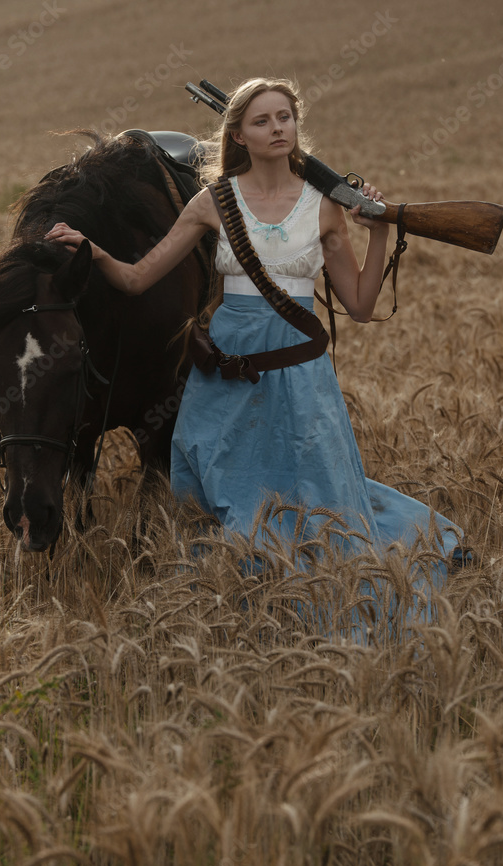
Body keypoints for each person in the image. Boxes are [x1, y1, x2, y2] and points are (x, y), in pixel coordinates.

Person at [45, 77, 461, 609]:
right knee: (221, 490)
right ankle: (240, 591)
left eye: (284, 117)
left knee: (319, 495)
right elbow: (134, 279)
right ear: (238, 135)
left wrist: (381, 225)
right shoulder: (211, 202)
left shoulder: (325, 207)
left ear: (296, 125)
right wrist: (92, 250)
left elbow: (358, 305)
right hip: (226, 371)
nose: (277, 128)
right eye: (261, 121)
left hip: (299, 370)